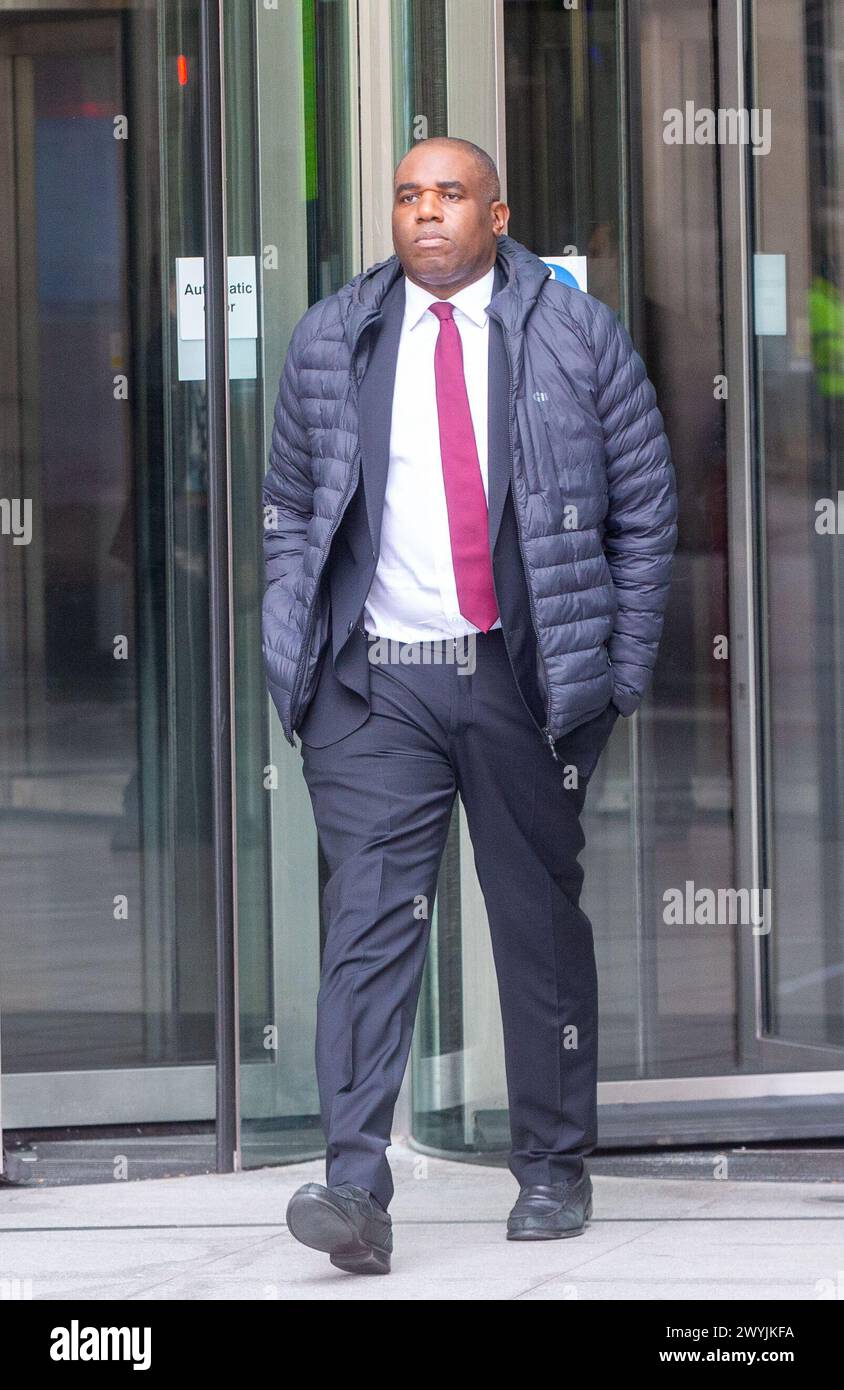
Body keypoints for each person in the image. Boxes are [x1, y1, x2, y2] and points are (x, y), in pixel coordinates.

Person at [261, 136, 677, 1275]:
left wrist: (613, 673)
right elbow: (291, 509)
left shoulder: (572, 332)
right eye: (406, 196)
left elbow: (642, 516)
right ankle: (354, 1182)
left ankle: (551, 1165)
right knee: (365, 926)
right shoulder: (334, 337)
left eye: (448, 195)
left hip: (519, 675)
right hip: (374, 679)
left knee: (534, 922)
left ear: (497, 213)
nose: (425, 213)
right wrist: (295, 654)